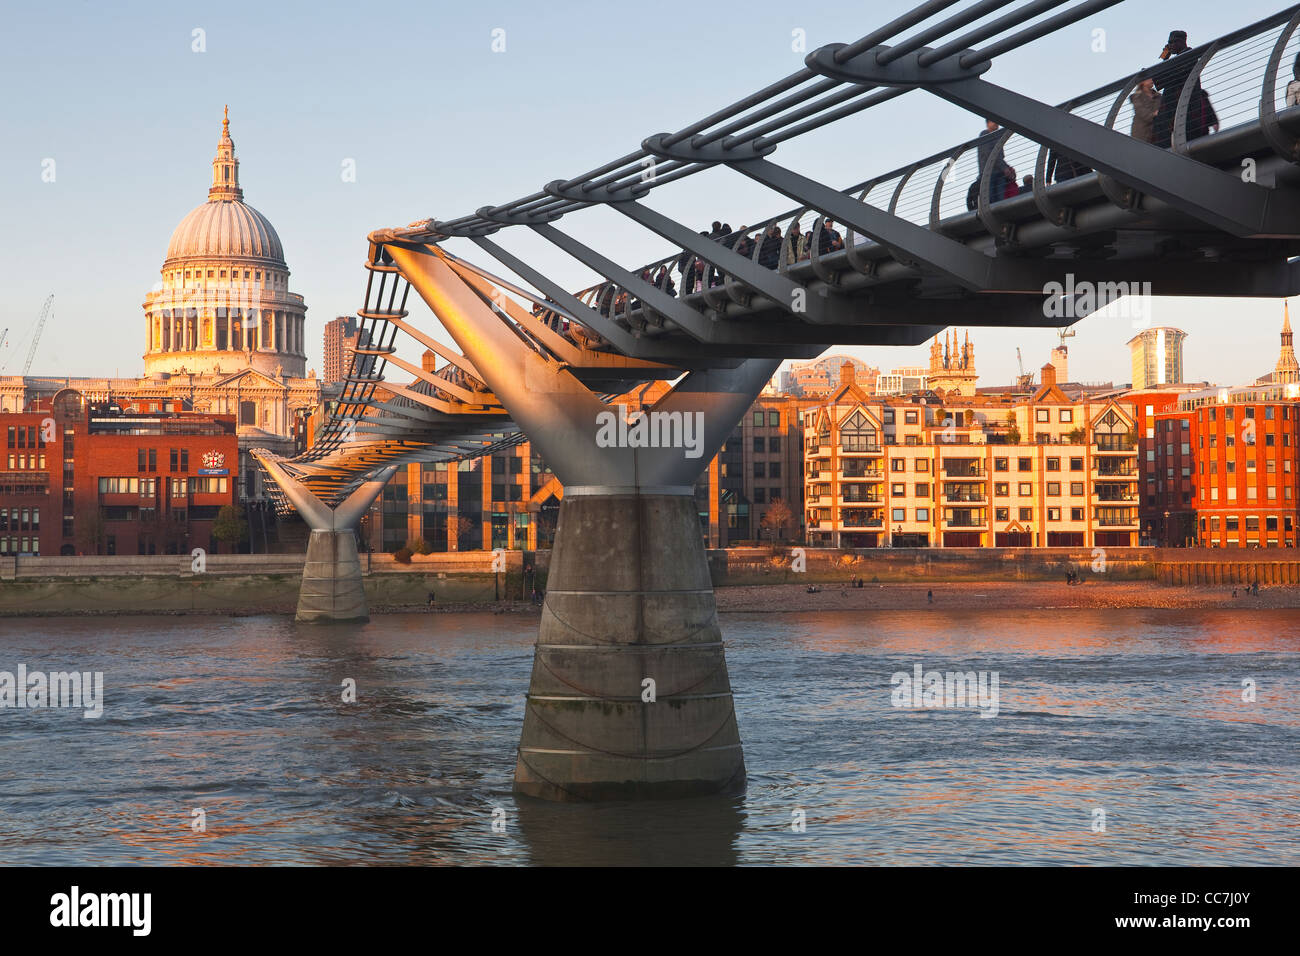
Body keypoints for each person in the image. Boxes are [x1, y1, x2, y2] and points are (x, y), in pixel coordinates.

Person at [1152, 30, 1217, 149]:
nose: (1169, 46)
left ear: (1181, 42)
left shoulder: (1188, 56)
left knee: (1184, 143)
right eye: (1168, 43)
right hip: (1177, 109)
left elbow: (1167, 77)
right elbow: (1162, 77)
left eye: (1172, 42)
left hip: (1185, 110)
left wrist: (1157, 71)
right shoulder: (1178, 58)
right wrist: (1164, 56)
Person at [975, 119, 1014, 203]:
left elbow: (999, 157)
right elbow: (990, 154)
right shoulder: (985, 134)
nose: (997, 124)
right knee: (992, 198)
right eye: (994, 122)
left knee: (998, 198)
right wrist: (1005, 168)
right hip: (990, 173)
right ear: (988, 123)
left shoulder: (996, 137)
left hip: (997, 172)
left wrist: (1007, 168)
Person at [1130, 76, 1161, 143]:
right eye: (1148, 78)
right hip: (1141, 133)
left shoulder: (1158, 96)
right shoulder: (1137, 97)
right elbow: (1141, 112)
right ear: (1142, 82)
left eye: (1152, 78)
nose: (1151, 80)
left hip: (1157, 132)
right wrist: (1154, 114)